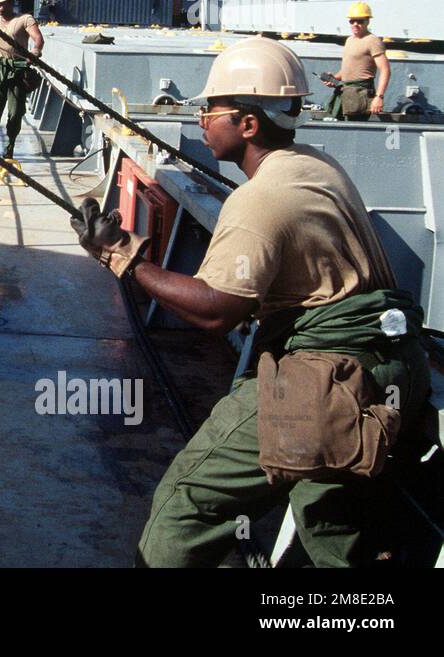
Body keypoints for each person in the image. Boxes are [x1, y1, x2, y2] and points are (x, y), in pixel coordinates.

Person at [71, 36, 430, 567]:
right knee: (331, 523)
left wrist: (123, 256)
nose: (200, 122)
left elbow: (217, 311)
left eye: (211, 110)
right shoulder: (315, 164)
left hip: (328, 381)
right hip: (392, 366)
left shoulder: (260, 199)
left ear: (248, 123)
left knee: (182, 513)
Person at [0, 0, 44, 165]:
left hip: (18, 72)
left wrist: (35, 51)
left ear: (11, 3)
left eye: (1, 4)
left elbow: (38, 38)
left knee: (15, 114)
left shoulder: (24, 19)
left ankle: (9, 149)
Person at [321, 0, 390, 120]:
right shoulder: (350, 40)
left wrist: (378, 97)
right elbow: (351, 67)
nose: (355, 24)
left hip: (360, 95)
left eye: (360, 21)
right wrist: (335, 78)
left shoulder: (372, 41)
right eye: (352, 21)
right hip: (346, 94)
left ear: (368, 21)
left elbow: (385, 70)